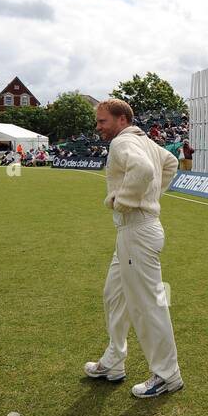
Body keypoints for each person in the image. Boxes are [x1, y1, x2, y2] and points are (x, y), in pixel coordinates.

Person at [85, 98, 184, 399]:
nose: (98, 127)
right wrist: (153, 196)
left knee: (147, 305)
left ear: (121, 120)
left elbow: (143, 170)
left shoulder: (123, 143)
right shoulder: (147, 142)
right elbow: (171, 163)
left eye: (102, 121)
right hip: (137, 230)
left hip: (136, 230)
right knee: (113, 296)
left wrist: (125, 200)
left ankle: (167, 375)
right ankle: (114, 361)